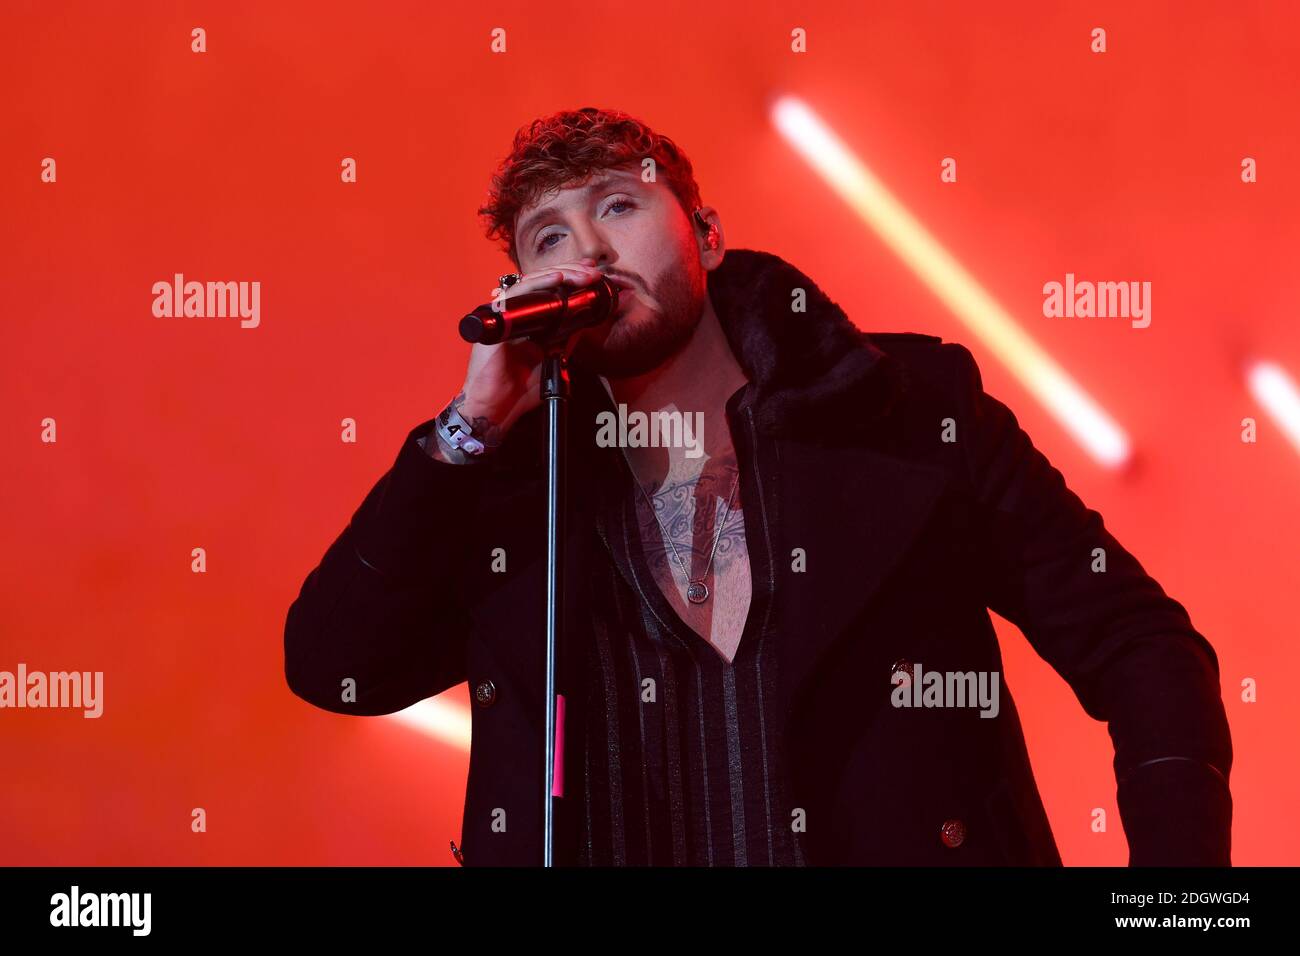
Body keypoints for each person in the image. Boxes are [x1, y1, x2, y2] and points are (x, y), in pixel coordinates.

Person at [283, 106, 1233, 867]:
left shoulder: (908, 413)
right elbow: (335, 665)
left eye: (619, 206)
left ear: (706, 231)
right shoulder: (512, 500)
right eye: (548, 236)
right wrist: (468, 432)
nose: (591, 252)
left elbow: (1139, 642)